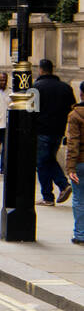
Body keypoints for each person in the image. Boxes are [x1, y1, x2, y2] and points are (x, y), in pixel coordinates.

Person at [33, 58, 76, 205]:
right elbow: (72, 109)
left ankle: (53, 192)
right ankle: (55, 191)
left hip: (41, 130)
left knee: (43, 162)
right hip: (58, 130)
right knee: (48, 159)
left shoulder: (36, 87)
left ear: (41, 69)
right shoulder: (65, 88)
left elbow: (30, 112)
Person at [65, 82, 84, 244]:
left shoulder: (75, 115)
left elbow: (73, 143)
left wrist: (70, 167)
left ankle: (80, 234)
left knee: (79, 199)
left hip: (80, 162)